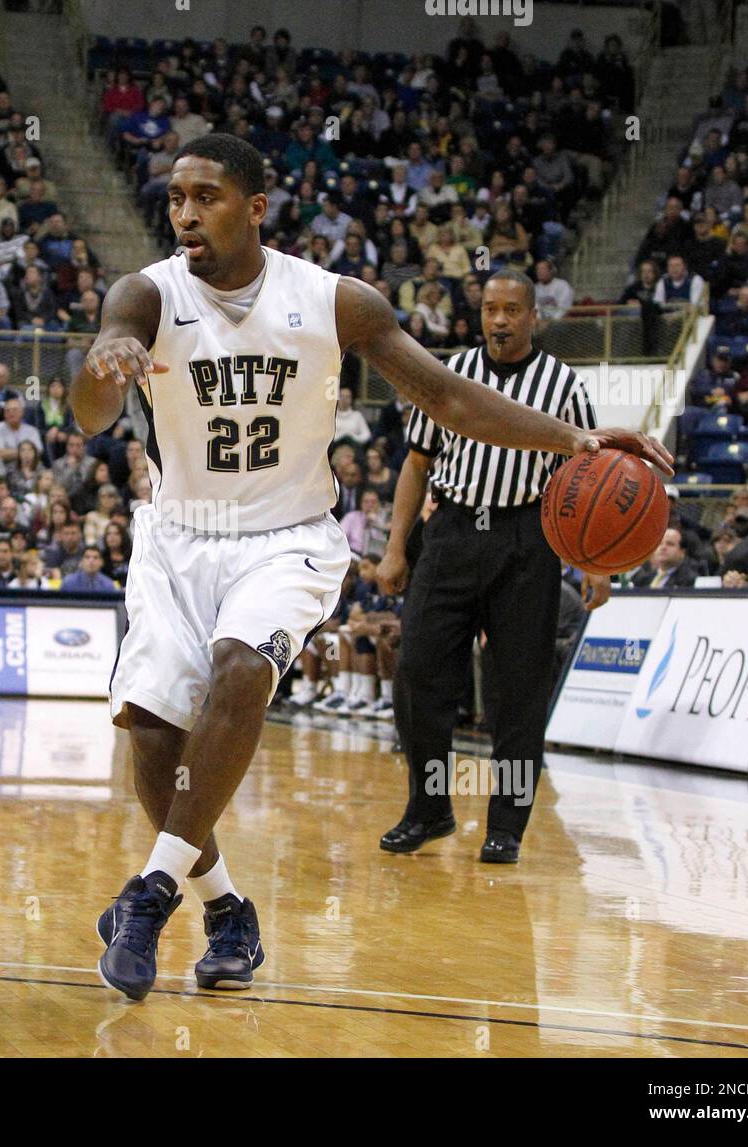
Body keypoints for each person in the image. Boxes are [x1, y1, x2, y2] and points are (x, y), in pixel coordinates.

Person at [71, 133, 669, 1002]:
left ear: (255, 206)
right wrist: (105, 366)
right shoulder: (147, 294)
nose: (187, 214)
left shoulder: (332, 300)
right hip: (177, 535)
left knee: (244, 668)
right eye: (175, 199)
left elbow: (448, 397)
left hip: (285, 537)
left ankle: (147, 894)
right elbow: (92, 410)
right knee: (157, 741)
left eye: (206, 196)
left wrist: (575, 436)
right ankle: (225, 905)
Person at [376, 267, 611, 866]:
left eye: (511, 310)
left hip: (527, 539)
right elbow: (417, 463)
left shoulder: (565, 387)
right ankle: (430, 809)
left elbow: (587, 478)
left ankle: (506, 825)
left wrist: (596, 561)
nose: (499, 320)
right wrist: (397, 546)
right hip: (452, 531)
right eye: (489, 310)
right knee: (417, 673)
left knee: (518, 691)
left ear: (534, 316)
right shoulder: (449, 376)